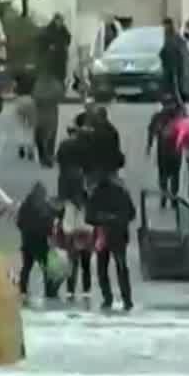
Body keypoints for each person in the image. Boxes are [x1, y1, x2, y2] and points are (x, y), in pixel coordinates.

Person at [87, 173, 136, 311]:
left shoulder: (96, 195)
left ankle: (107, 298)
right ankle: (127, 299)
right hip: (119, 235)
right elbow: (132, 214)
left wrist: (102, 219)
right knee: (122, 268)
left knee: (102, 268)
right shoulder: (122, 193)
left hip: (102, 235)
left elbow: (89, 217)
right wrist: (118, 219)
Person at [16, 182, 58, 301]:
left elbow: (19, 223)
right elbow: (50, 222)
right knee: (46, 269)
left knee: (27, 268)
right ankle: (50, 293)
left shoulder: (25, 206)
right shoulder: (45, 206)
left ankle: (23, 291)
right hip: (40, 243)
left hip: (28, 241)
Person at [55, 177, 94, 300]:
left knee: (75, 265)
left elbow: (67, 223)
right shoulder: (86, 204)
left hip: (76, 237)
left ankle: (73, 290)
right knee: (83, 265)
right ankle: (83, 290)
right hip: (83, 236)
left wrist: (69, 232)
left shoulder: (71, 205)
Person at [147, 97, 185, 209]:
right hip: (176, 150)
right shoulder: (178, 116)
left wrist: (149, 145)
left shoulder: (158, 117)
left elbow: (151, 131)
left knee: (163, 174)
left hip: (163, 150)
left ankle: (164, 197)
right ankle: (173, 198)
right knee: (175, 175)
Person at [32, 72, 65, 168]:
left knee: (41, 136)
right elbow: (60, 97)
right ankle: (48, 156)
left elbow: (35, 96)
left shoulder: (38, 84)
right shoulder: (56, 84)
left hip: (41, 114)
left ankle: (44, 157)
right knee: (49, 136)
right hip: (50, 114)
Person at [56, 117, 88, 203]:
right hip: (77, 173)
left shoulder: (63, 143)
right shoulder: (81, 144)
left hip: (64, 174)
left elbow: (58, 158)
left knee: (63, 199)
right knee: (77, 199)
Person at [159, 18, 187, 105]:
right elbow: (163, 50)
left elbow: (182, 50)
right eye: (164, 25)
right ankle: (168, 101)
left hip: (175, 65)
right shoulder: (164, 36)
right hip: (167, 65)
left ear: (170, 25)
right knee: (167, 85)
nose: (165, 27)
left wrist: (180, 60)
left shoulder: (176, 36)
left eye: (166, 25)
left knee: (176, 85)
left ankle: (179, 102)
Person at [39, 13, 72, 83]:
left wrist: (66, 44)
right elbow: (43, 41)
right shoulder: (49, 29)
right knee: (53, 73)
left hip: (61, 55)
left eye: (61, 21)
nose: (60, 22)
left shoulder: (64, 29)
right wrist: (49, 46)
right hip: (52, 56)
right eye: (59, 20)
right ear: (55, 20)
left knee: (61, 74)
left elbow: (68, 38)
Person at [12, 73, 37, 161]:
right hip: (31, 101)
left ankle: (21, 145)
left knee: (20, 126)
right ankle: (30, 149)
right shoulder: (32, 82)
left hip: (20, 102)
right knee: (31, 127)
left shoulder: (17, 83)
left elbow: (14, 91)